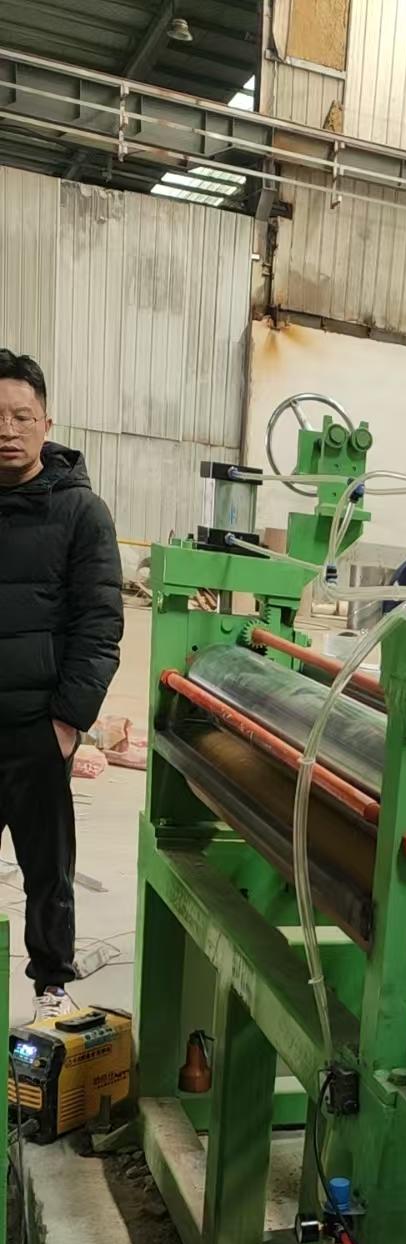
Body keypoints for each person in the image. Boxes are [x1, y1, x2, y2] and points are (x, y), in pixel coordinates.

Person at [0, 349, 123, 1016]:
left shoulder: (81, 513)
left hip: (37, 729)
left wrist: (69, 721)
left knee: (48, 871)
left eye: (21, 416)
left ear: (47, 424)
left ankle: (51, 985)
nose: (8, 430)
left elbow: (99, 625)